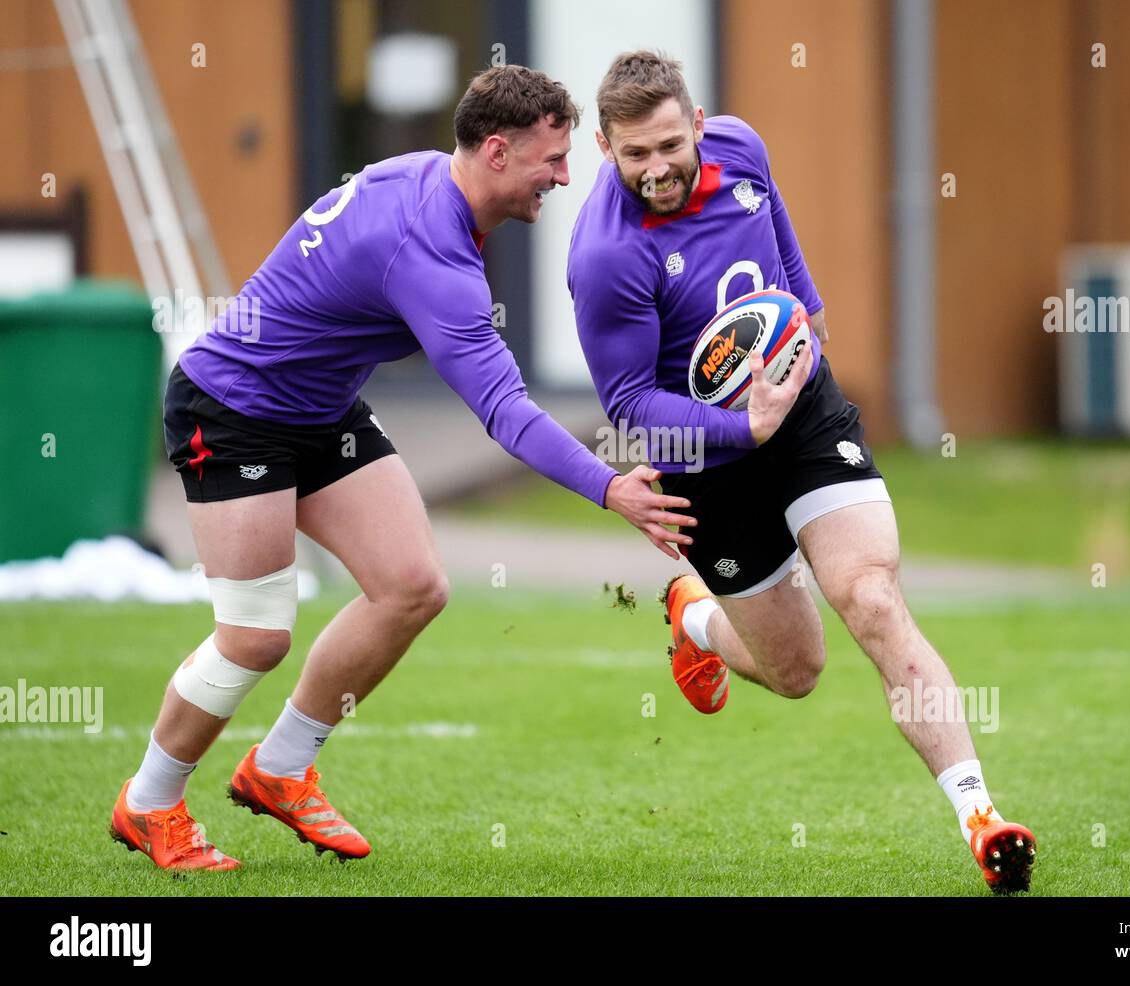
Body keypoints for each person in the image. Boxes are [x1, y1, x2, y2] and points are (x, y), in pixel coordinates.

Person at [109, 65, 698, 870]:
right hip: (233, 409)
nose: (564, 177)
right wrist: (609, 485)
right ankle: (148, 801)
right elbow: (506, 413)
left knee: (413, 586)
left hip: (318, 409)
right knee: (254, 634)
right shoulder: (433, 256)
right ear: (496, 151)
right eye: (552, 161)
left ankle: (279, 769)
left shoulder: (432, 177)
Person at [566, 50, 1037, 893]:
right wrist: (740, 426)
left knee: (871, 596)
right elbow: (633, 406)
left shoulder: (742, 147)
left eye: (670, 145)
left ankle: (980, 816)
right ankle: (698, 619)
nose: (657, 169)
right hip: (706, 462)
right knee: (796, 672)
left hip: (804, 409)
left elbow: (773, 220)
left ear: (700, 124)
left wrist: (808, 313)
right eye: (634, 154)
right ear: (605, 148)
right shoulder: (604, 259)